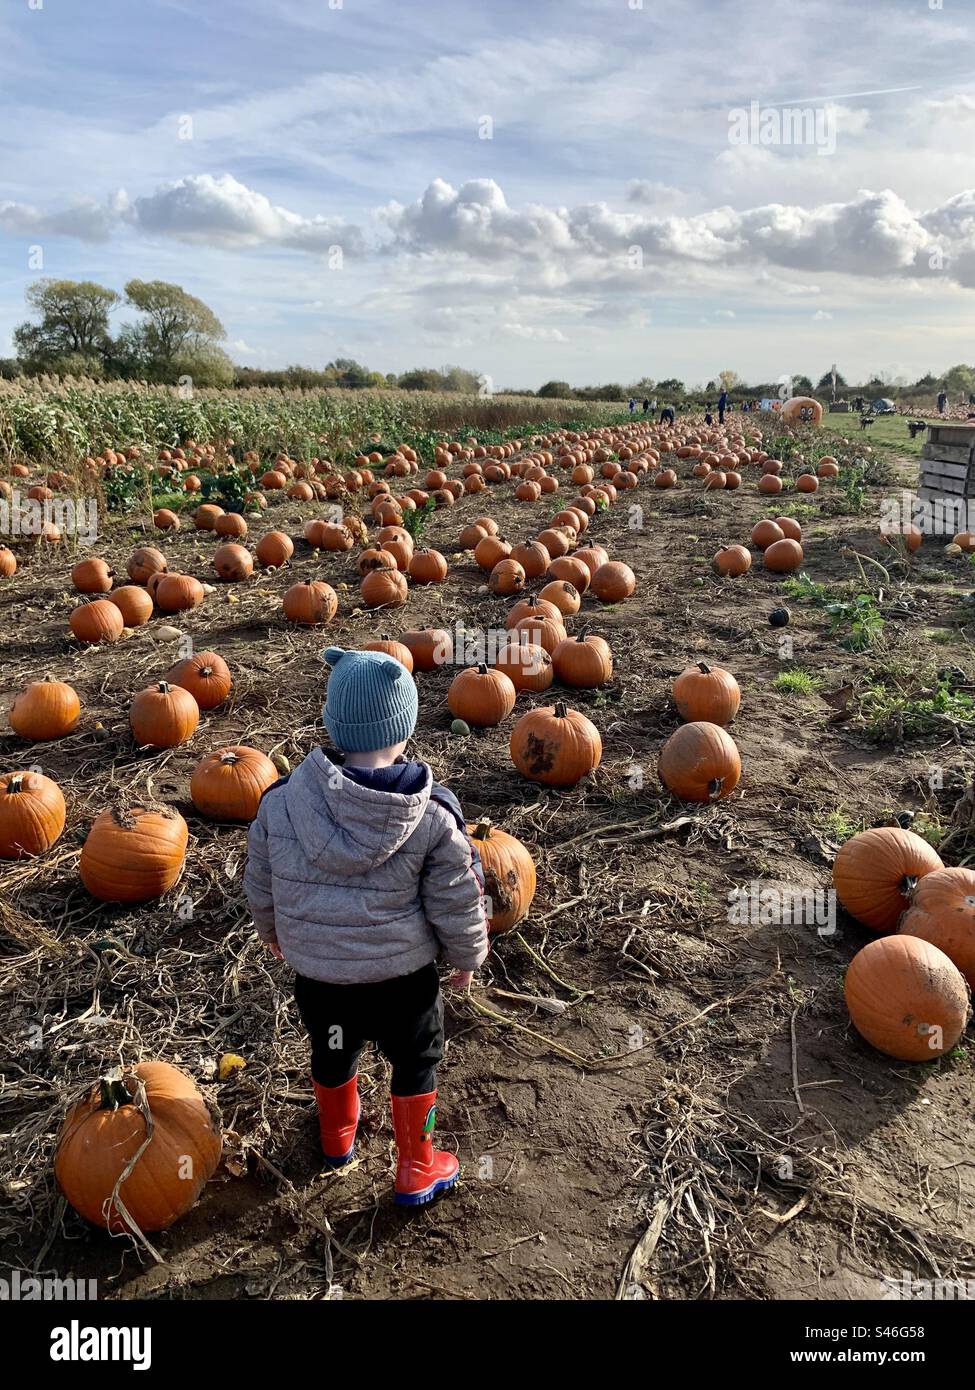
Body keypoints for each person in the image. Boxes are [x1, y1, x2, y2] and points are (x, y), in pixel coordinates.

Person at [244, 647, 489, 1206]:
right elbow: (457, 896)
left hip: (321, 979)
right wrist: (468, 957)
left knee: (332, 1050)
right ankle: (418, 1166)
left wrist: (272, 933)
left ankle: (337, 1139)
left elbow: (260, 880)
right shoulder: (431, 814)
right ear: (405, 729)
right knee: (415, 1062)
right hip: (403, 982)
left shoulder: (280, 804)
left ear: (332, 724)